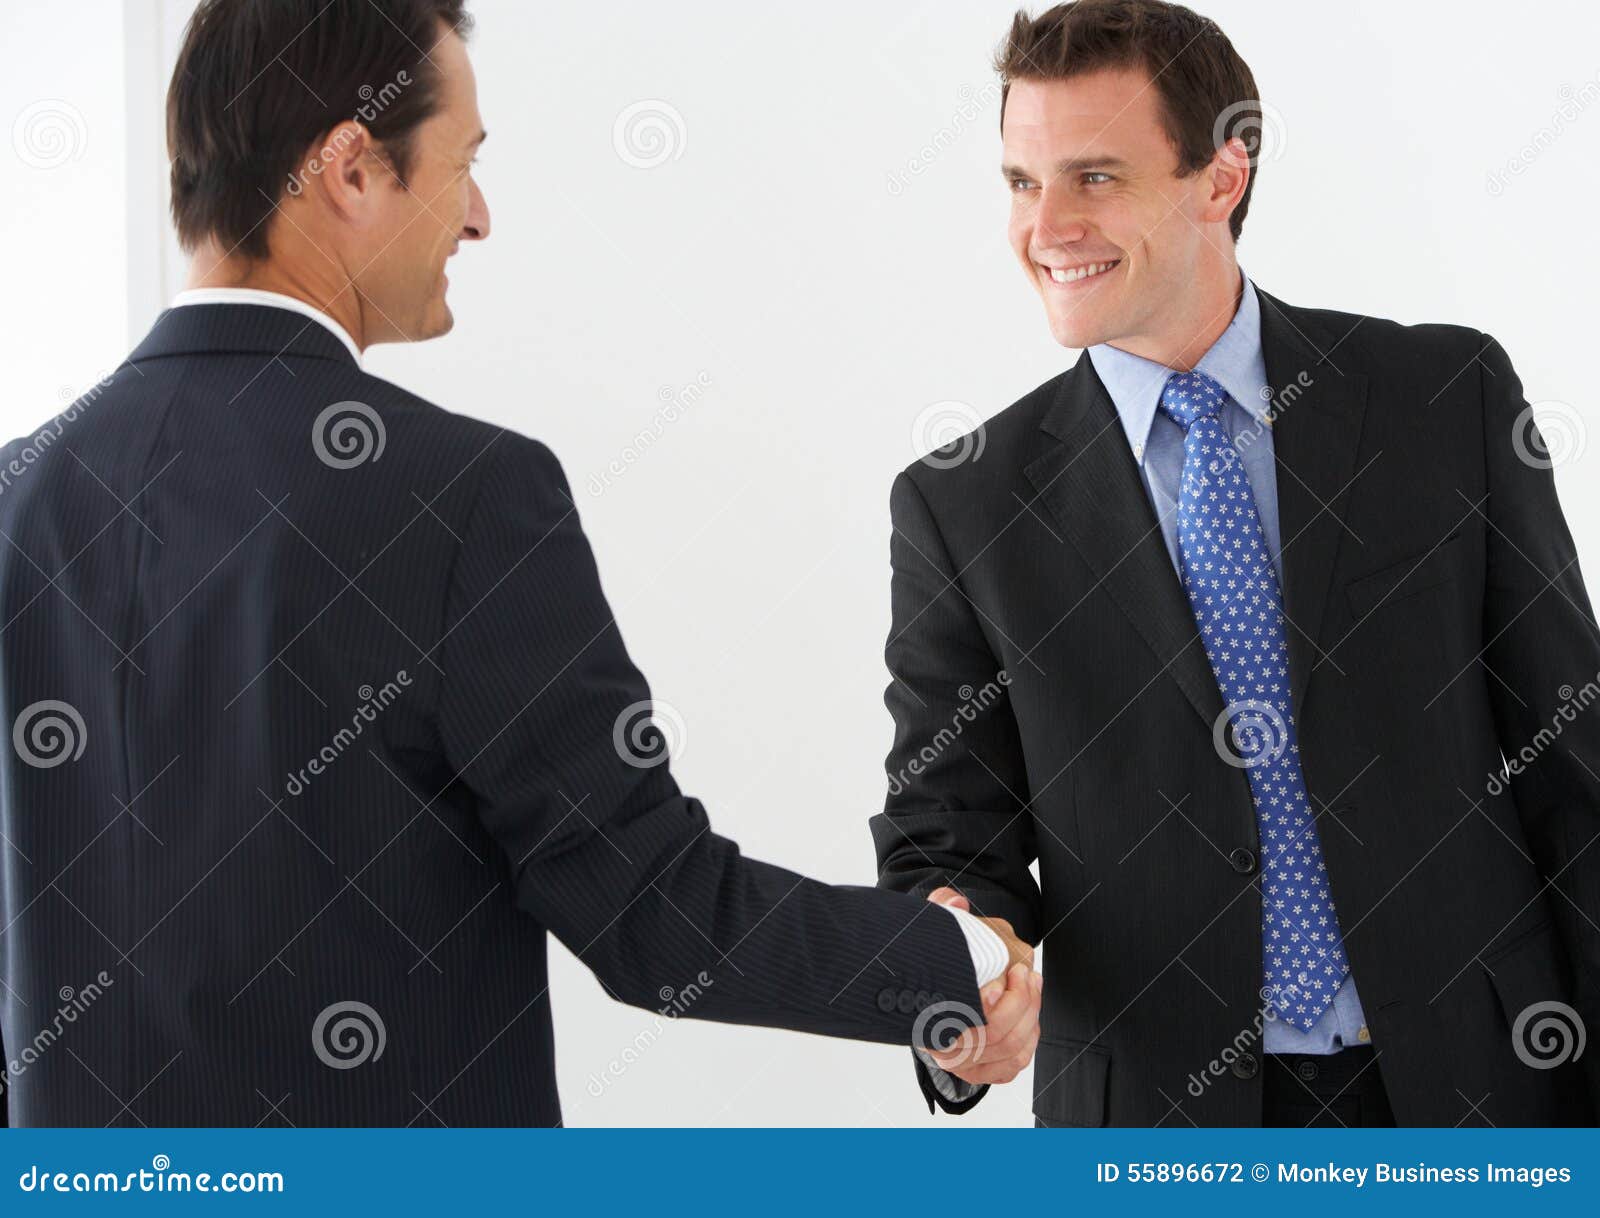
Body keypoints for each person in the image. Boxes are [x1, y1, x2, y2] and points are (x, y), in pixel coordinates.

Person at [0, 0, 1038, 1127]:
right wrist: (956, 961)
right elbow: (651, 911)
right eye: (463, 164)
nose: (478, 217)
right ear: (352, 167)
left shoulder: (19, 497)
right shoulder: (461, 496)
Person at [874, 0, 1599, 1126]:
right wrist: (959, 985)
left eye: (1095, 177)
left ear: (1222, 176)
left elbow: (1575, 770)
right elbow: (947, 827)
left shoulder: (1442, 400)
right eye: (1021, 182)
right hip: (1159, 1116)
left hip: (1481, 1084)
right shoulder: (963, 503)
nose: (1046, 225)